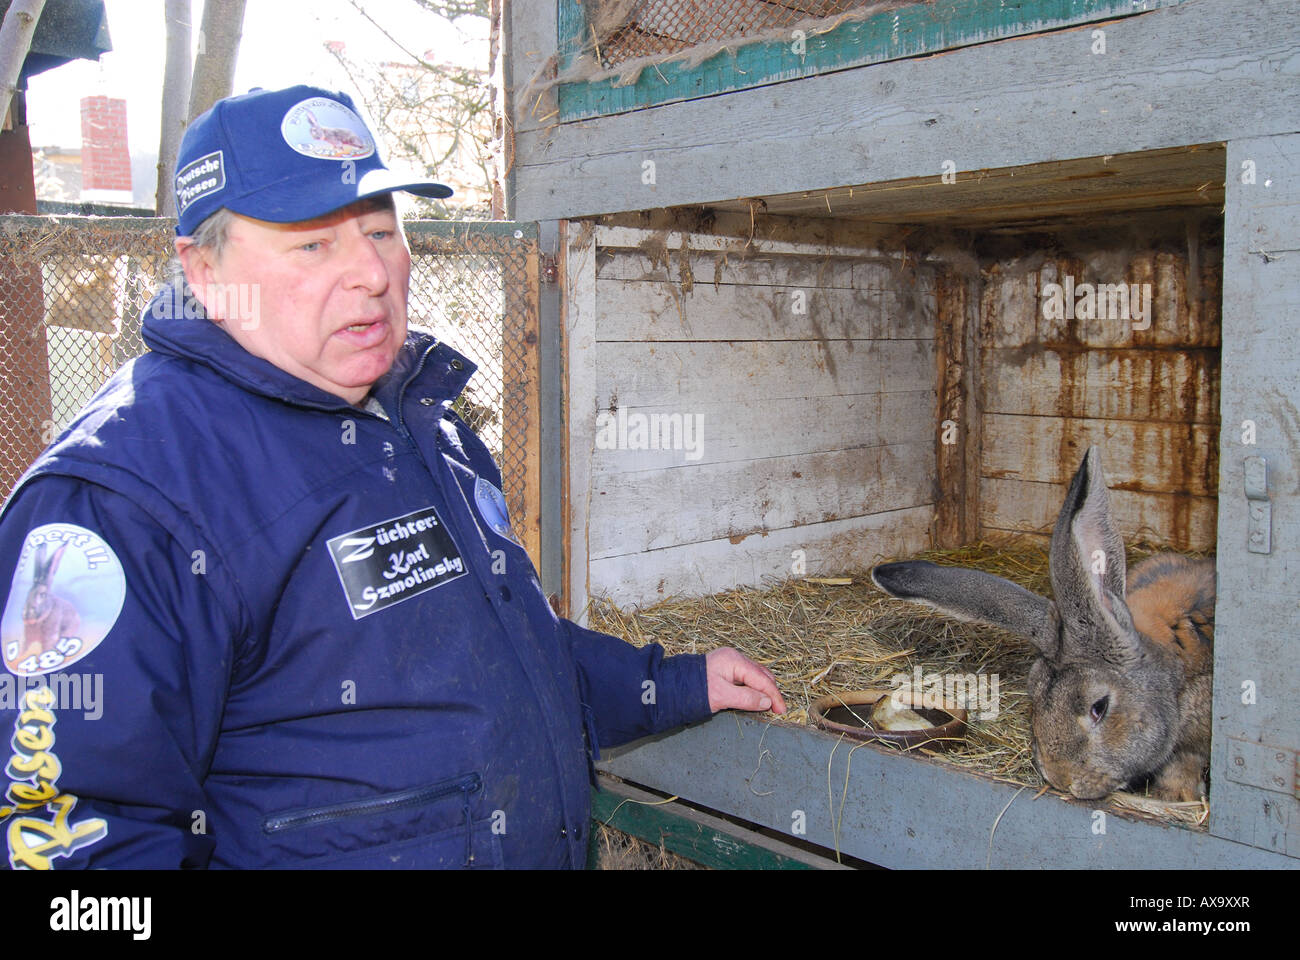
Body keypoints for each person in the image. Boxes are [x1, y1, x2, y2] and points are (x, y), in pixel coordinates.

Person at [0, 85, 785, 869]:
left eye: (381, 229)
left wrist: (669, 685)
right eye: (313, 244)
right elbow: (72, 845)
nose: (371, 273)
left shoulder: (421, 423)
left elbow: (506, 648)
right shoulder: (120, 500)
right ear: (202, 269)